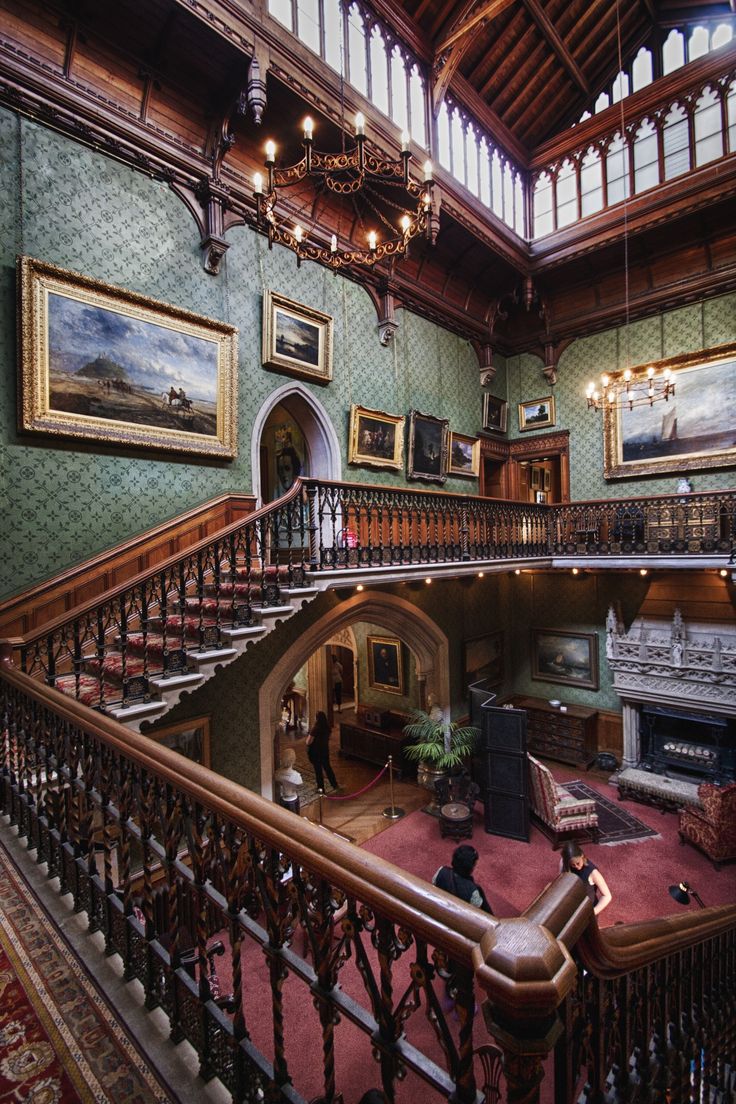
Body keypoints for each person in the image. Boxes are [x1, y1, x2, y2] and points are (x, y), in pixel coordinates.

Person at [432, 844, 493, 914]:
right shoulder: (473, 891)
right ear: (470, 868)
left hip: (439, 909)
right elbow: (479, 913)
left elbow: (434, 886)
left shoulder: (441, 871)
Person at [560, 842, 612, 917]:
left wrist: (591, 913)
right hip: (572, 906)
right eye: (572, 865)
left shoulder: (593, 873)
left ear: (582, 856)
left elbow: (607, 896)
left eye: (578, 863)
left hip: (587, 909)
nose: (576, 867)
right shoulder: (564, 863)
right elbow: (561, 879)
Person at [305, 710, 338, 792]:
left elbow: (308, 742)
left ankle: (321, 788)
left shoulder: (315, 729)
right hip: (324, 751)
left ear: (317, 719)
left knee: (318, 771)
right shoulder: (327, 728)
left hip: (316, 753)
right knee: (328, 768)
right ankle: (334, 784)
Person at [274, 747, 303, 814]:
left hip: (283, 799)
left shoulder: (278, 774)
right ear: (294, 760)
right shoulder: (296, 776)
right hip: (293, 800)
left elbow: (278, 781)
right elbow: (299, 785)